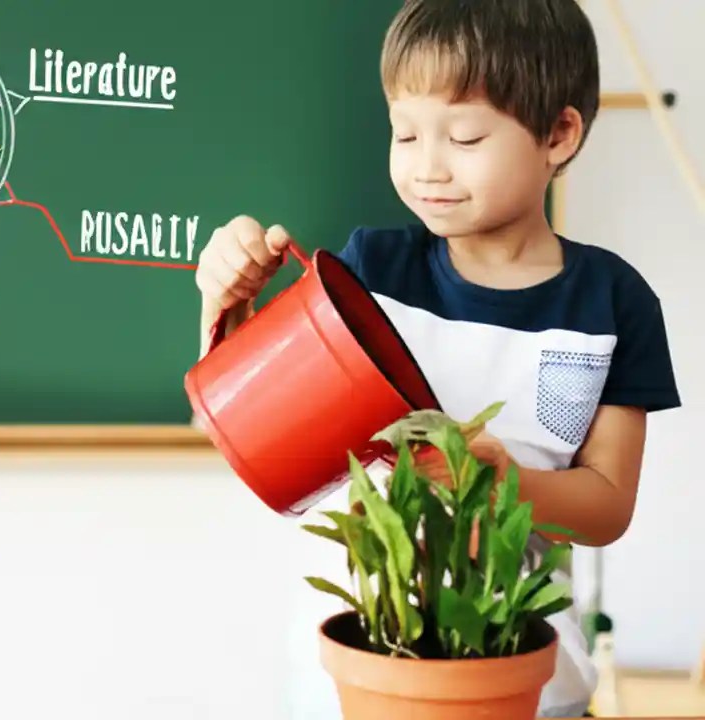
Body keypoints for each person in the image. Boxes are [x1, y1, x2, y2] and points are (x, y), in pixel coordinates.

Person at [193, 0, 681, 718]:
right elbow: (240, 434)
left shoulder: (613, 303)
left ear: (558, 133)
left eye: (464, 136)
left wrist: (502, 482)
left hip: (530, 680)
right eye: (405, 132)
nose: (427, 166)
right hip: (364, 671)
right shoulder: (371, 275)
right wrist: (225, 313)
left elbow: (606, 506)